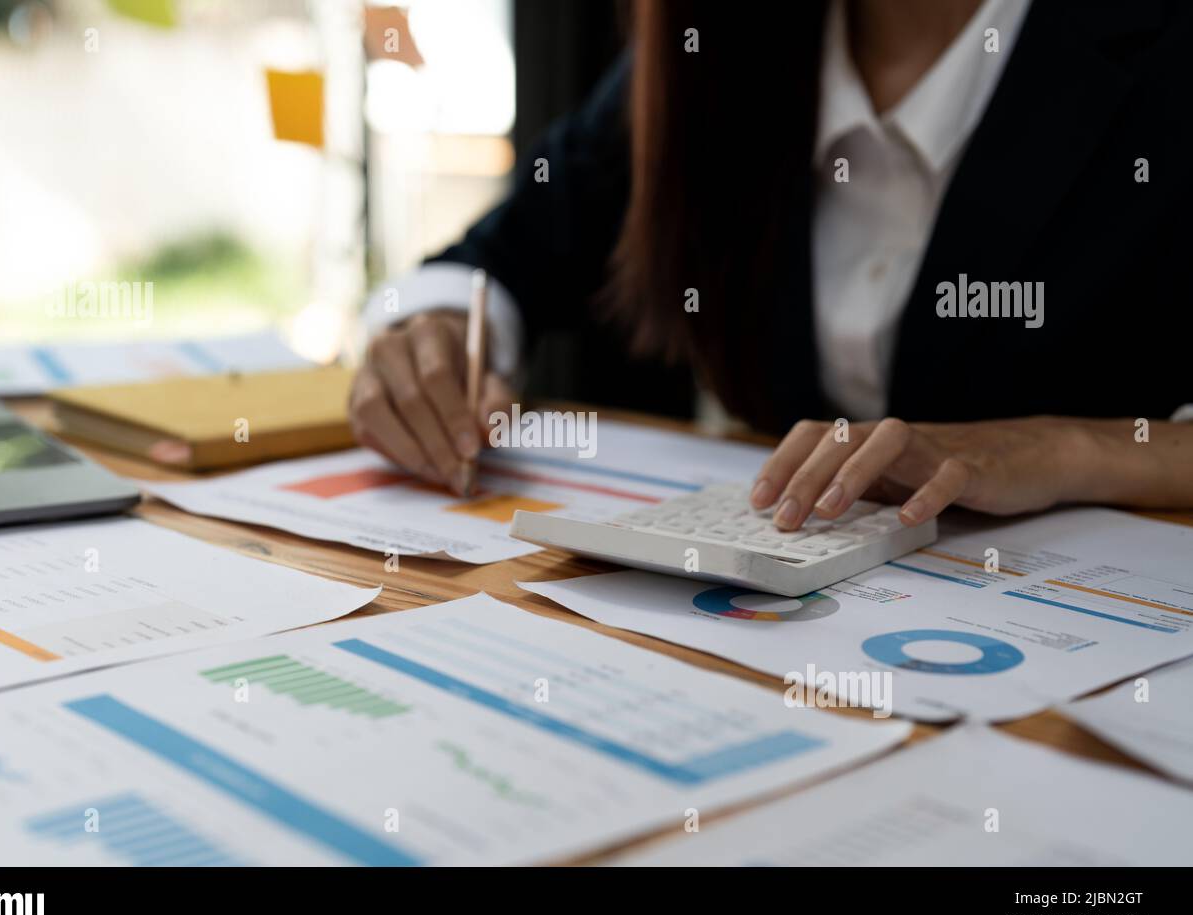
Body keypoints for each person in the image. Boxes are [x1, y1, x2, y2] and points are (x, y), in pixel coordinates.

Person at [349, 0, 1193, 532]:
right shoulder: (718, 38)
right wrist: (428, 335)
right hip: (788, 636)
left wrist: (1077, 448)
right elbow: (501, 257)